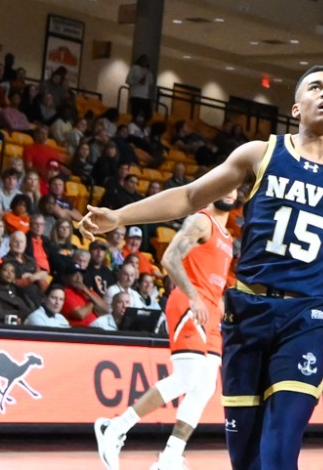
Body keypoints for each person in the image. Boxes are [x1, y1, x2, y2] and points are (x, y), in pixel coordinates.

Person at [82, 66, 323, 470]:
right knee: (246, 458)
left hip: (306, 317)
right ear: (297, 108)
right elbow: (191, 195)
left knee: (281, 447)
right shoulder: (259, 153)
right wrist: (120, 217)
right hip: (247, 313)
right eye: (315, 87)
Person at [94, 196, 234, 470]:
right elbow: (169, 258)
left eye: (234, 189)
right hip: (189, 301)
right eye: (225, 186)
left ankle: (170, 458)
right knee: (186, 377)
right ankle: (114, 428)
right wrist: (193, 296)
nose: (229, 192)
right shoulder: (201, 220)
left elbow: (215, 283)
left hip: (211, 312)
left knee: (205, 387)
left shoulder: (228, 236)